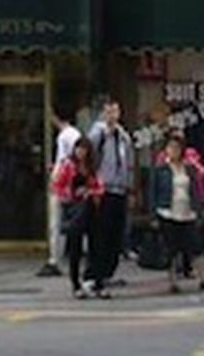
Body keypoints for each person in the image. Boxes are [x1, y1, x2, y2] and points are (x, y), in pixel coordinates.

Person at [152, 131, 204, 294]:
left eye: (176, 148)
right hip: (168, 212)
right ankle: (172, 282)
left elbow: (195, 190)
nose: (173, 151)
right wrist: (153, 214)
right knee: (171, 250)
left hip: (187, 212)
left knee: (196, 247)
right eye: (170, 148)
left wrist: (198, 210)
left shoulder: (189, 168)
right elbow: (153, 192)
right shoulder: (161, 170)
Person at [86, 99, 133, 293]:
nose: (113, 115)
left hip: (119, 190)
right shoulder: (98, 133)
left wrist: (130, 187)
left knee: (115, 234)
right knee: (100, 235)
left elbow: (128, 162)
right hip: (102, 190)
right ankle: (94, 275)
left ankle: (107, 273)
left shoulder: (123, 136)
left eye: (115, 111)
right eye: (108, 111)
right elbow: (88, 155)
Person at [52, 133, 104, 298]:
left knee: (96, 246)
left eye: (84, 149)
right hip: (75, 210)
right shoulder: (68, 165)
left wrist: (91, 192)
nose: (81, 152)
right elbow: (57, 186)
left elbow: (100, 186)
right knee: (75, 248)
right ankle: (76, 284)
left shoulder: (92, 167)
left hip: (91, 210)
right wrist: (71, 194)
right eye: (78, 148)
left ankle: (97, 282)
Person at [38, 110, 83, 278]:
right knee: (66, 221)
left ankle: (54, 259)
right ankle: (61, 256)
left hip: (62, 184)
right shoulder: (75, 134)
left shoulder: (64, 136)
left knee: (56, 223)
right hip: (70, 183)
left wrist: (56, 177)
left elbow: (64, 161)